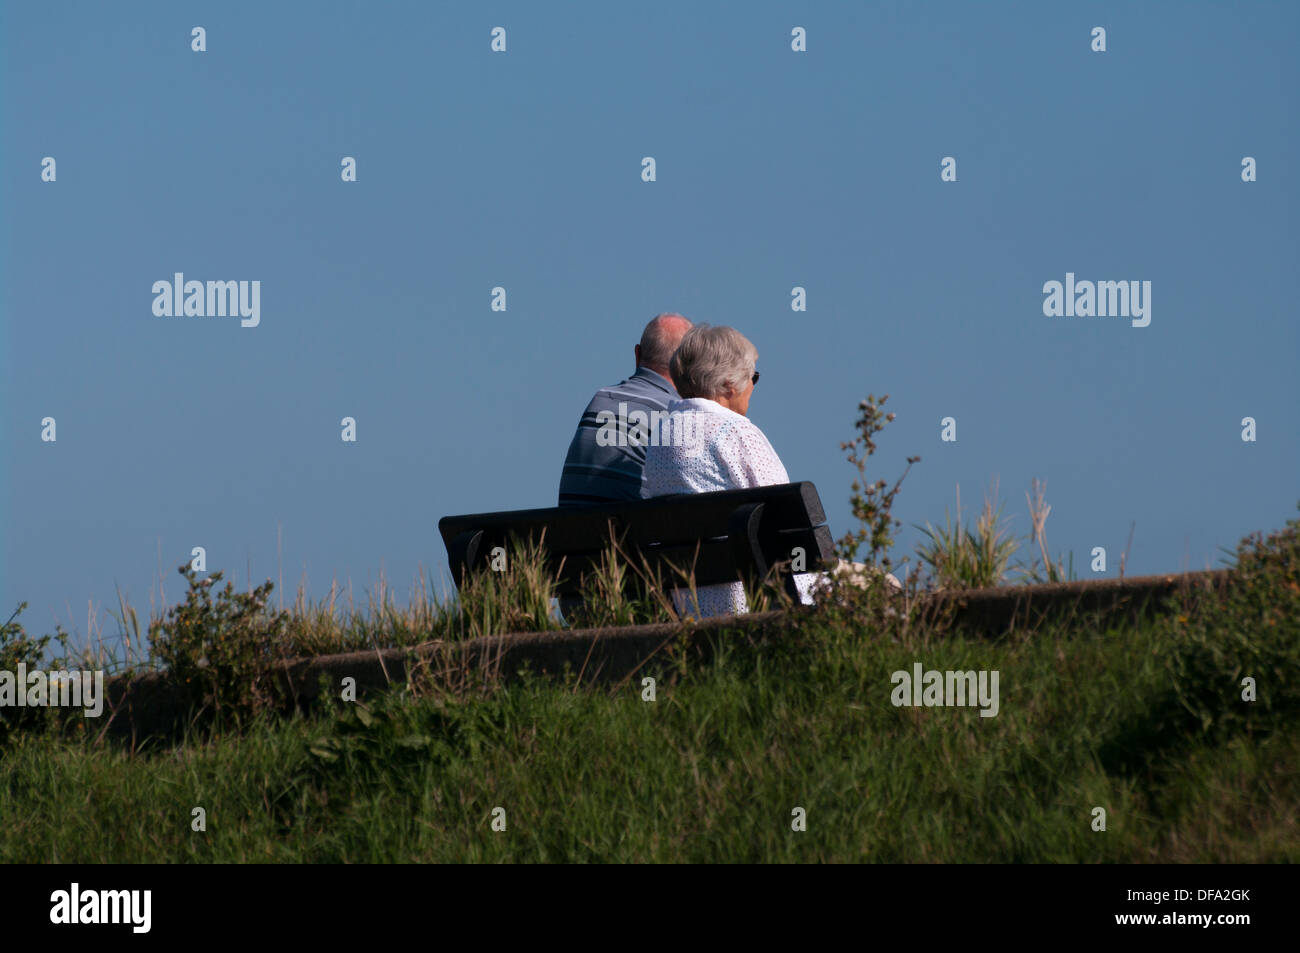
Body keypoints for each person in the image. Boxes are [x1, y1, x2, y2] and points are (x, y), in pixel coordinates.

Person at [641, 324, 825, 617]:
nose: (753, 385)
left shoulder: (662, 435)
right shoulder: (736, 432)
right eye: (753, 376)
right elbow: (786, 520)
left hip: (692, 602)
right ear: (729, 383)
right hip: (757, 594)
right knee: (882, 583)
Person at [558, 313, 693, 506]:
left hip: (569, 532)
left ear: (637, 354)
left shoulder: (601, 398)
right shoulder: (675, 415)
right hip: (630, 533)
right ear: (688, 368)